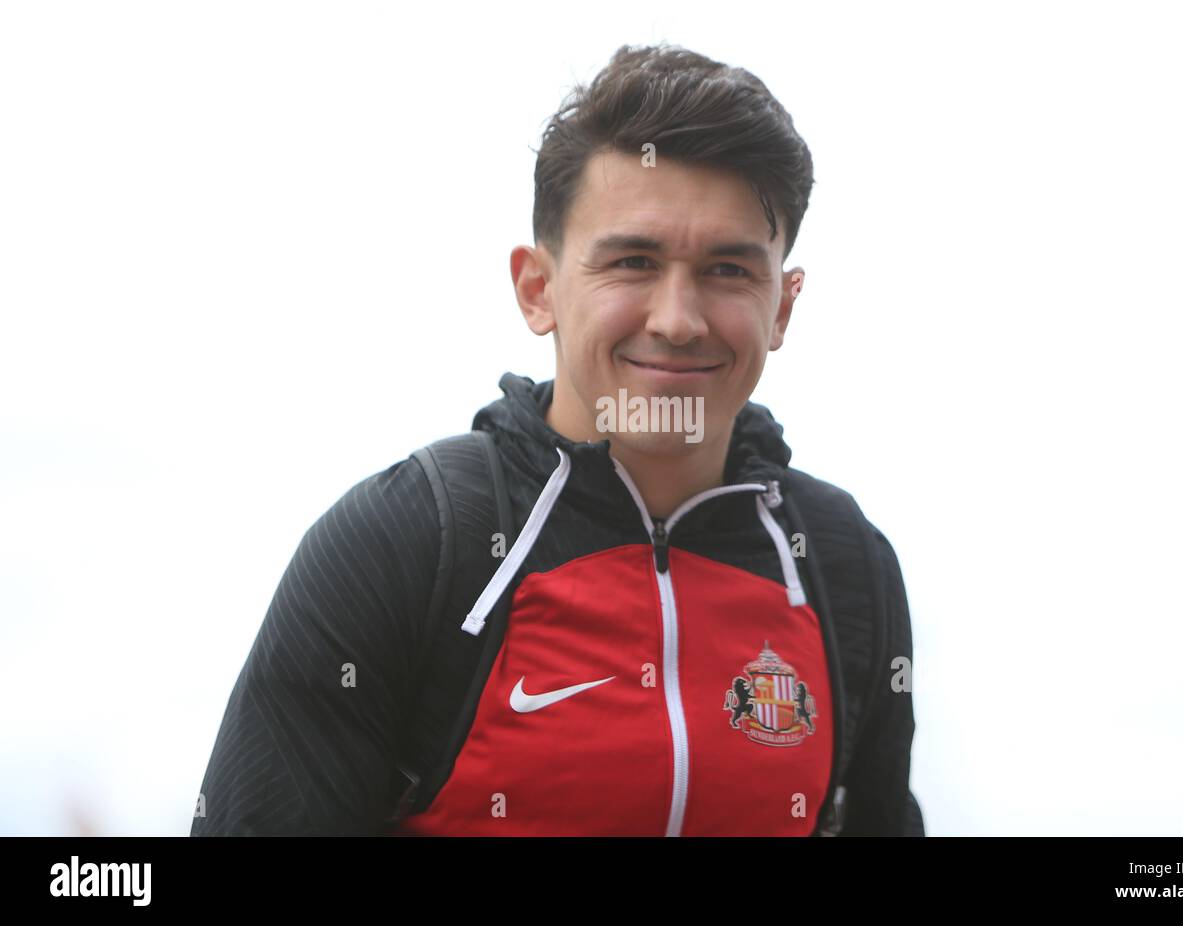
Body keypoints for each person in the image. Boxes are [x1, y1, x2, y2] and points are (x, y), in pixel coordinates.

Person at [191, 42, 923, 837]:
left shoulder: (841, 565)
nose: (677, 320)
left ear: (781, 307)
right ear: (537, 289)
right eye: (634, 261)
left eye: (727, 271)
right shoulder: (407, 543)